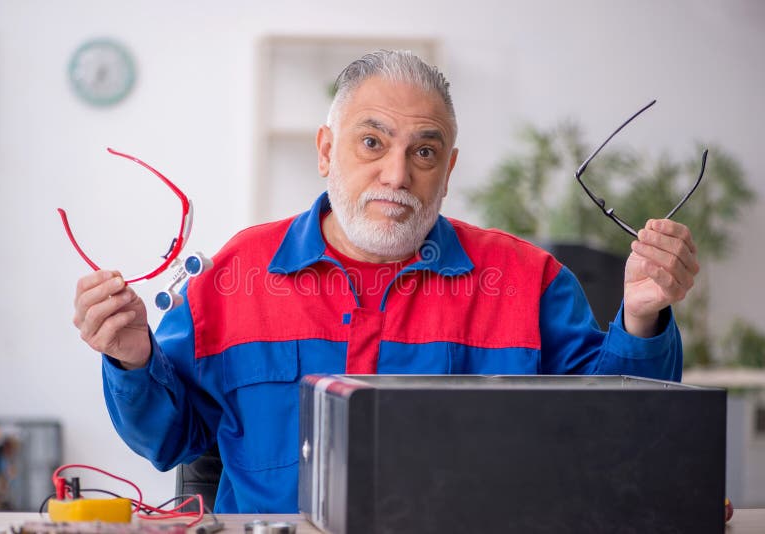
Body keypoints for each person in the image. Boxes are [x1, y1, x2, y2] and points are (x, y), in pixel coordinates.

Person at [71, 50, 699, 513]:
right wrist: (132, 358)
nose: (396, 175)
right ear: (326, 150)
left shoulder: (527, 281)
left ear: (448, 169)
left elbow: (616, 440)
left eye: (424, 152)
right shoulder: (235, 275)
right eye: (372, 142)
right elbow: (169, 438)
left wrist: (642, 316)